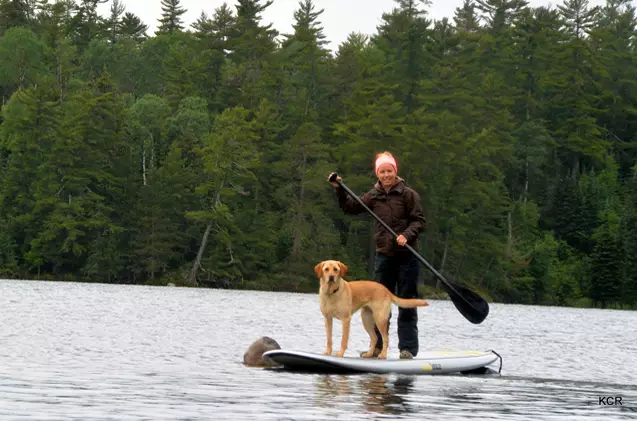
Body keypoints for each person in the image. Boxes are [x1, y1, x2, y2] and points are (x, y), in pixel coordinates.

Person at [328, 151, 426, 359]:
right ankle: (379, 348)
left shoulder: (408, 195)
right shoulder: (373, 196)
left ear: (395, 171)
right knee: (378, 305)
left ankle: (407, 349)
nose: (386, 175)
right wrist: (339, 190)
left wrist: (406, 235)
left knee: (406, 301)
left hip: (407, 256)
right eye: (382, 172)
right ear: (378, 174)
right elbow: (350, 208)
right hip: (385, 255)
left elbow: (419, 221)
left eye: (389, 171)